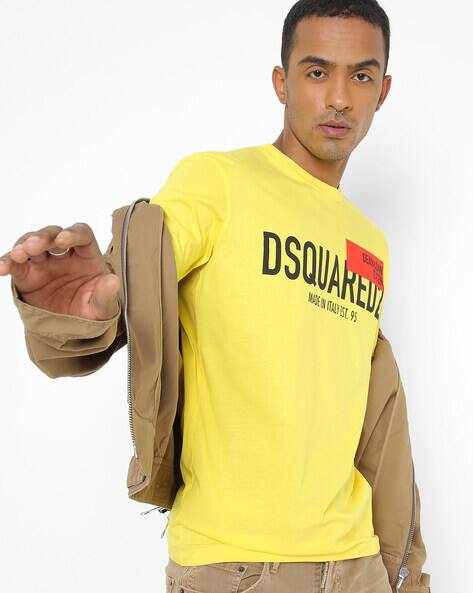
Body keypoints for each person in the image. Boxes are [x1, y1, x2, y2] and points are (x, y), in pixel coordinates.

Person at [1, 2, 426, 592]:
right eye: (316, 71)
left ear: (383, 91)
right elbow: (140, 274)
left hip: (359, 564)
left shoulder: (369, 241)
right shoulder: (218, 182)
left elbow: (370, 414)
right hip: (239, 567)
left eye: (360, 76)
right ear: (281, 82)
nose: (338, 98)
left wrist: (404, 568)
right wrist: (93, 303)